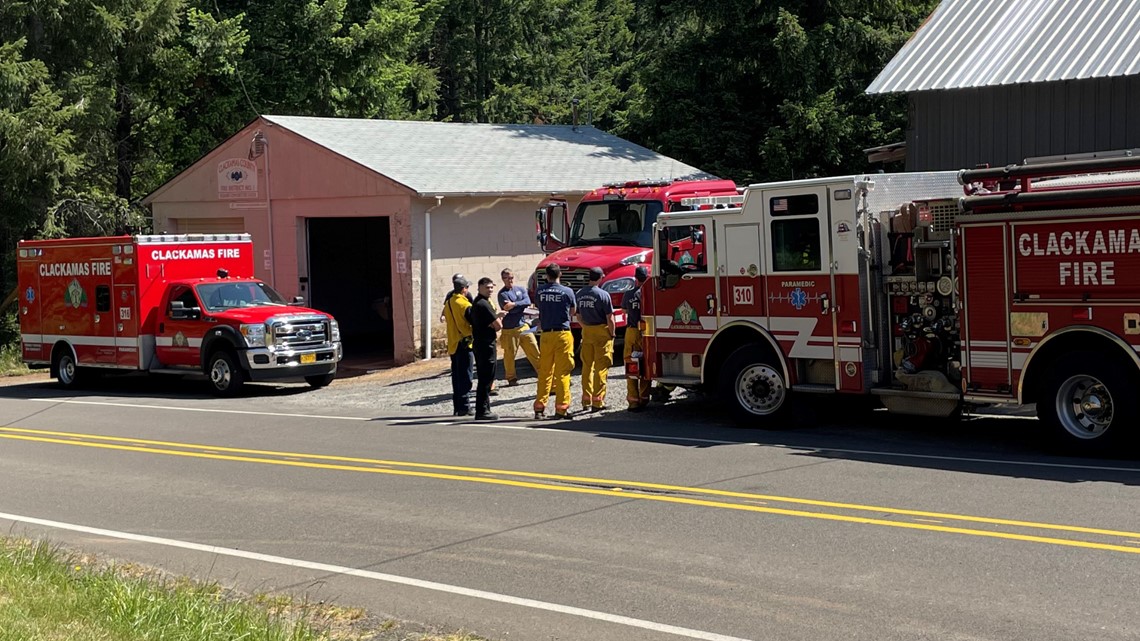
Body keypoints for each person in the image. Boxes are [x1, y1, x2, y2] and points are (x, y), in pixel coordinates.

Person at [533, 264, 576, 420]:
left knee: (545, 372)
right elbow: (572, 312)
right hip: (562, 334)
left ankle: (539, 408)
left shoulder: (540, 291)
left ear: (547, 276)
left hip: (546, 335)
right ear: (560, 274)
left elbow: (539, 306)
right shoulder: (567, 291)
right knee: (563, 373)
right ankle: (561, 409)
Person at [575, 266, 615, 412]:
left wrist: (585, 327)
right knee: (601, 367)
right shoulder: (603, 295)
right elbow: (610, 319)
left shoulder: (579, 294)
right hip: (601, 332)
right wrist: (612, 334)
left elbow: (577, 315)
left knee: (587, 367)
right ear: (600, 277)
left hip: (587, 332)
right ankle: (598, 402)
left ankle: (586, 399)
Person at [469, 277, 505, 421]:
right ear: (479, 288)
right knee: (486, 378)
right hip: (485, 345)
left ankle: (484, 409)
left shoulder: (478, 303)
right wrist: (499, 317)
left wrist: (494, 320)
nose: (490, 290)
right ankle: (482, 410)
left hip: (481, 343)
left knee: (486, 378)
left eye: (491, 287)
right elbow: (498, 326)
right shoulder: (483, 304)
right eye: (487, 287)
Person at [498, 268, 540, 385]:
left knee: (534, 350)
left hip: (523, 326)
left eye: (511, 277)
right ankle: (511, 378)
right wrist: (518, 306)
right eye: (506, 278)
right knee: (510, 355)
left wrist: (515, 304)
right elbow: (507, 308)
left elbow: (527, 302)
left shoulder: (520, 289)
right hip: (509, 329)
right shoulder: (502, 294)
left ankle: (542, 373)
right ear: (503, 279)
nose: (509, 280)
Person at [443, 277, 474, 416]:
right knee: (466, 377)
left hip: (453, 343)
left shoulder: (449, 302)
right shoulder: (464, 304)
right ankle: (465, 406)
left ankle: (457, 406)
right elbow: (473, 321)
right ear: (464, 289)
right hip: (465, 343)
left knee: (456, 377)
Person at [622, 266, 651, 411]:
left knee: (631, 364)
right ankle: (645, 398)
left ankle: (633, 401)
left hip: (632, 331)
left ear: (635, 278)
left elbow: (625, 310)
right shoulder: (650, 293)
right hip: (648, 332)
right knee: (646, 364)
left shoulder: (629, 294)